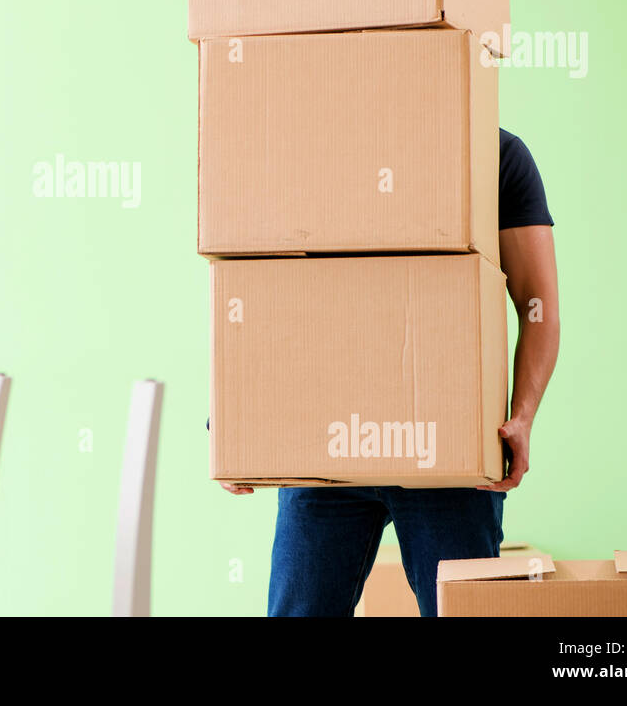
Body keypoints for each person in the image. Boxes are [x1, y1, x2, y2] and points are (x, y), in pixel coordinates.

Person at [220, 129, 560, 617]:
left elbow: (538, 305)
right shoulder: (310, 146)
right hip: (326, 444)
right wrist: (237, 409)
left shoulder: (494, 153)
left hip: (448, 453)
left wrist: (523, 416)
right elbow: (261, 282)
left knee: (459, 614)